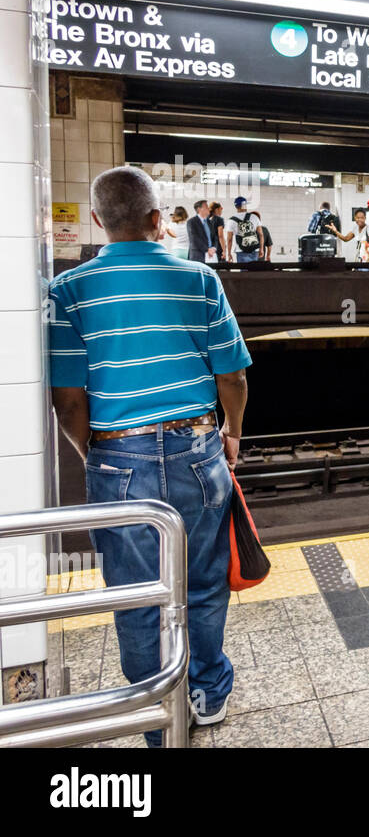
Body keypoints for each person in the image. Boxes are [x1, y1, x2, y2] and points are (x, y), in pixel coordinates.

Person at [47, 166, 252, 746]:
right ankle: (208, 690)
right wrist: (231, 434)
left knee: (137, 593)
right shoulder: (199, 279)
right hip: (196, 446)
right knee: (206, 579)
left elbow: (67, 401)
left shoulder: (68, 291)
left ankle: (157, 716)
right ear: (159, 219)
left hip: (118, 456)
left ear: (97, 221)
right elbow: (232, 376)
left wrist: (98, 452)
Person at [228, 196, 263, 263]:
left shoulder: (231, 220)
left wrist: (229, 253)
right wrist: (261, 249)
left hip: (241, 250)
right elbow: (261, 235)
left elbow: (229, 239)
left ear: (236, 206)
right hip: (254, 250)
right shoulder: (254, 217)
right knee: (253, 272)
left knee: (244, 273)